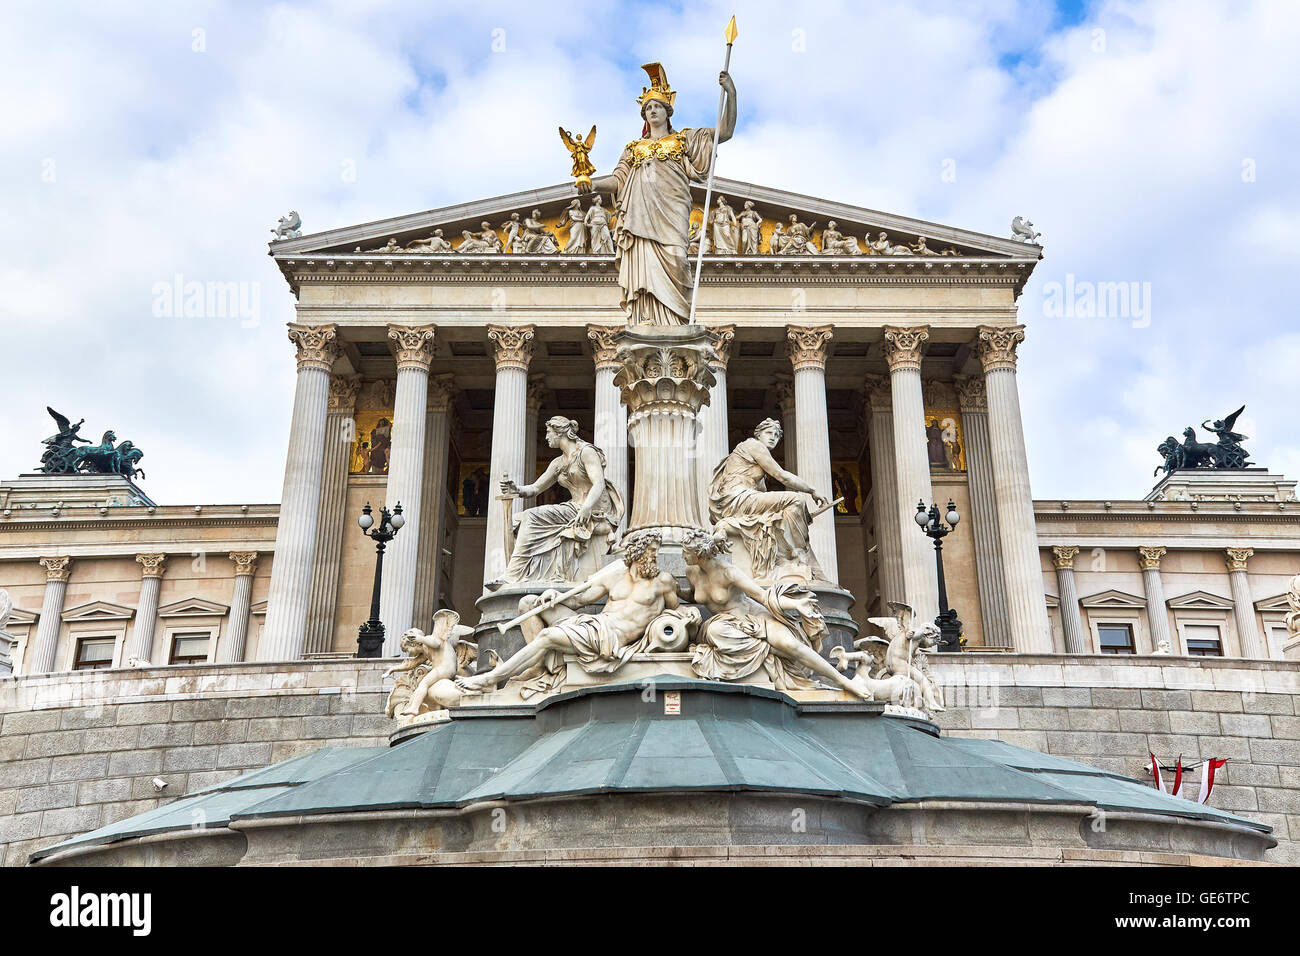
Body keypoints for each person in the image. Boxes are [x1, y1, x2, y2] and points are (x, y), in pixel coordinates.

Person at [577, 63, 737, 325]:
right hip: (640, 222)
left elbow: (725, 132)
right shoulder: (634, 148)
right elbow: (618, 181)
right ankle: (647, 320)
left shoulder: (684, 140)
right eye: (648, 108)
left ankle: (675, 324)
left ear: (667, 112)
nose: (652, 111)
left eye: (657, 107)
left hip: (671, 215)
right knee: (644, 271)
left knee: (676, 258)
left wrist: (731, 93)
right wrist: (591, 184)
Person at [456, 530, 677, 693]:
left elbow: (676, 611)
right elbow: (579, 600)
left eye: (656, 552)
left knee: (547, 636)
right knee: (529, 603)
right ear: (637, 553)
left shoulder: (663, 582)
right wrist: (553, 594)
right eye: (651, 551)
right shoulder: (614, 576)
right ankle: (538, 667)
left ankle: (490, 678)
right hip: (595, 624)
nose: (655, 557)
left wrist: (688, 615)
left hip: (610, 639)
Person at [681, 529, 869, 698]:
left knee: (790, 645)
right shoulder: (692, 572)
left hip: (753, 617)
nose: (682, 555)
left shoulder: (728, 572)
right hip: (724, 623)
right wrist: (676, 592)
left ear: (700, 554)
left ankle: (843, 681)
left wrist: (795, 604)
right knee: (715, 630)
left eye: (686, 552)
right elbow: (694, 596)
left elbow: (762, 596)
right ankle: (768, 650)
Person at [487, 417, 624, 588]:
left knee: (530, 516)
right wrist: (516, 489)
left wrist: (587, 508)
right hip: (573, 507)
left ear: (560, 432)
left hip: (593, 510)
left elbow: (599, 483)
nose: (546, 438)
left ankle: (512, 575)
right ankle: (525, 574)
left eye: (548, 433)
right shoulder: (558, 463)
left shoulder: (586, 452)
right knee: (517, 520)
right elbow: (535, 489)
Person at [710, 418, 830, 581]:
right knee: (796, 499)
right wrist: (812, 490)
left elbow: (765, 497)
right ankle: (799, 554)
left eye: (776, 435)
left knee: (789, 508)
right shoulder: (754, 446)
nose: (772, 437)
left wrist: (797, 516)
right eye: (768, 433)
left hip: (743, 500)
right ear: (758, 435)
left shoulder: (756, 466)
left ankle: (789, 557)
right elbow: (782, 476)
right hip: (738, 499)